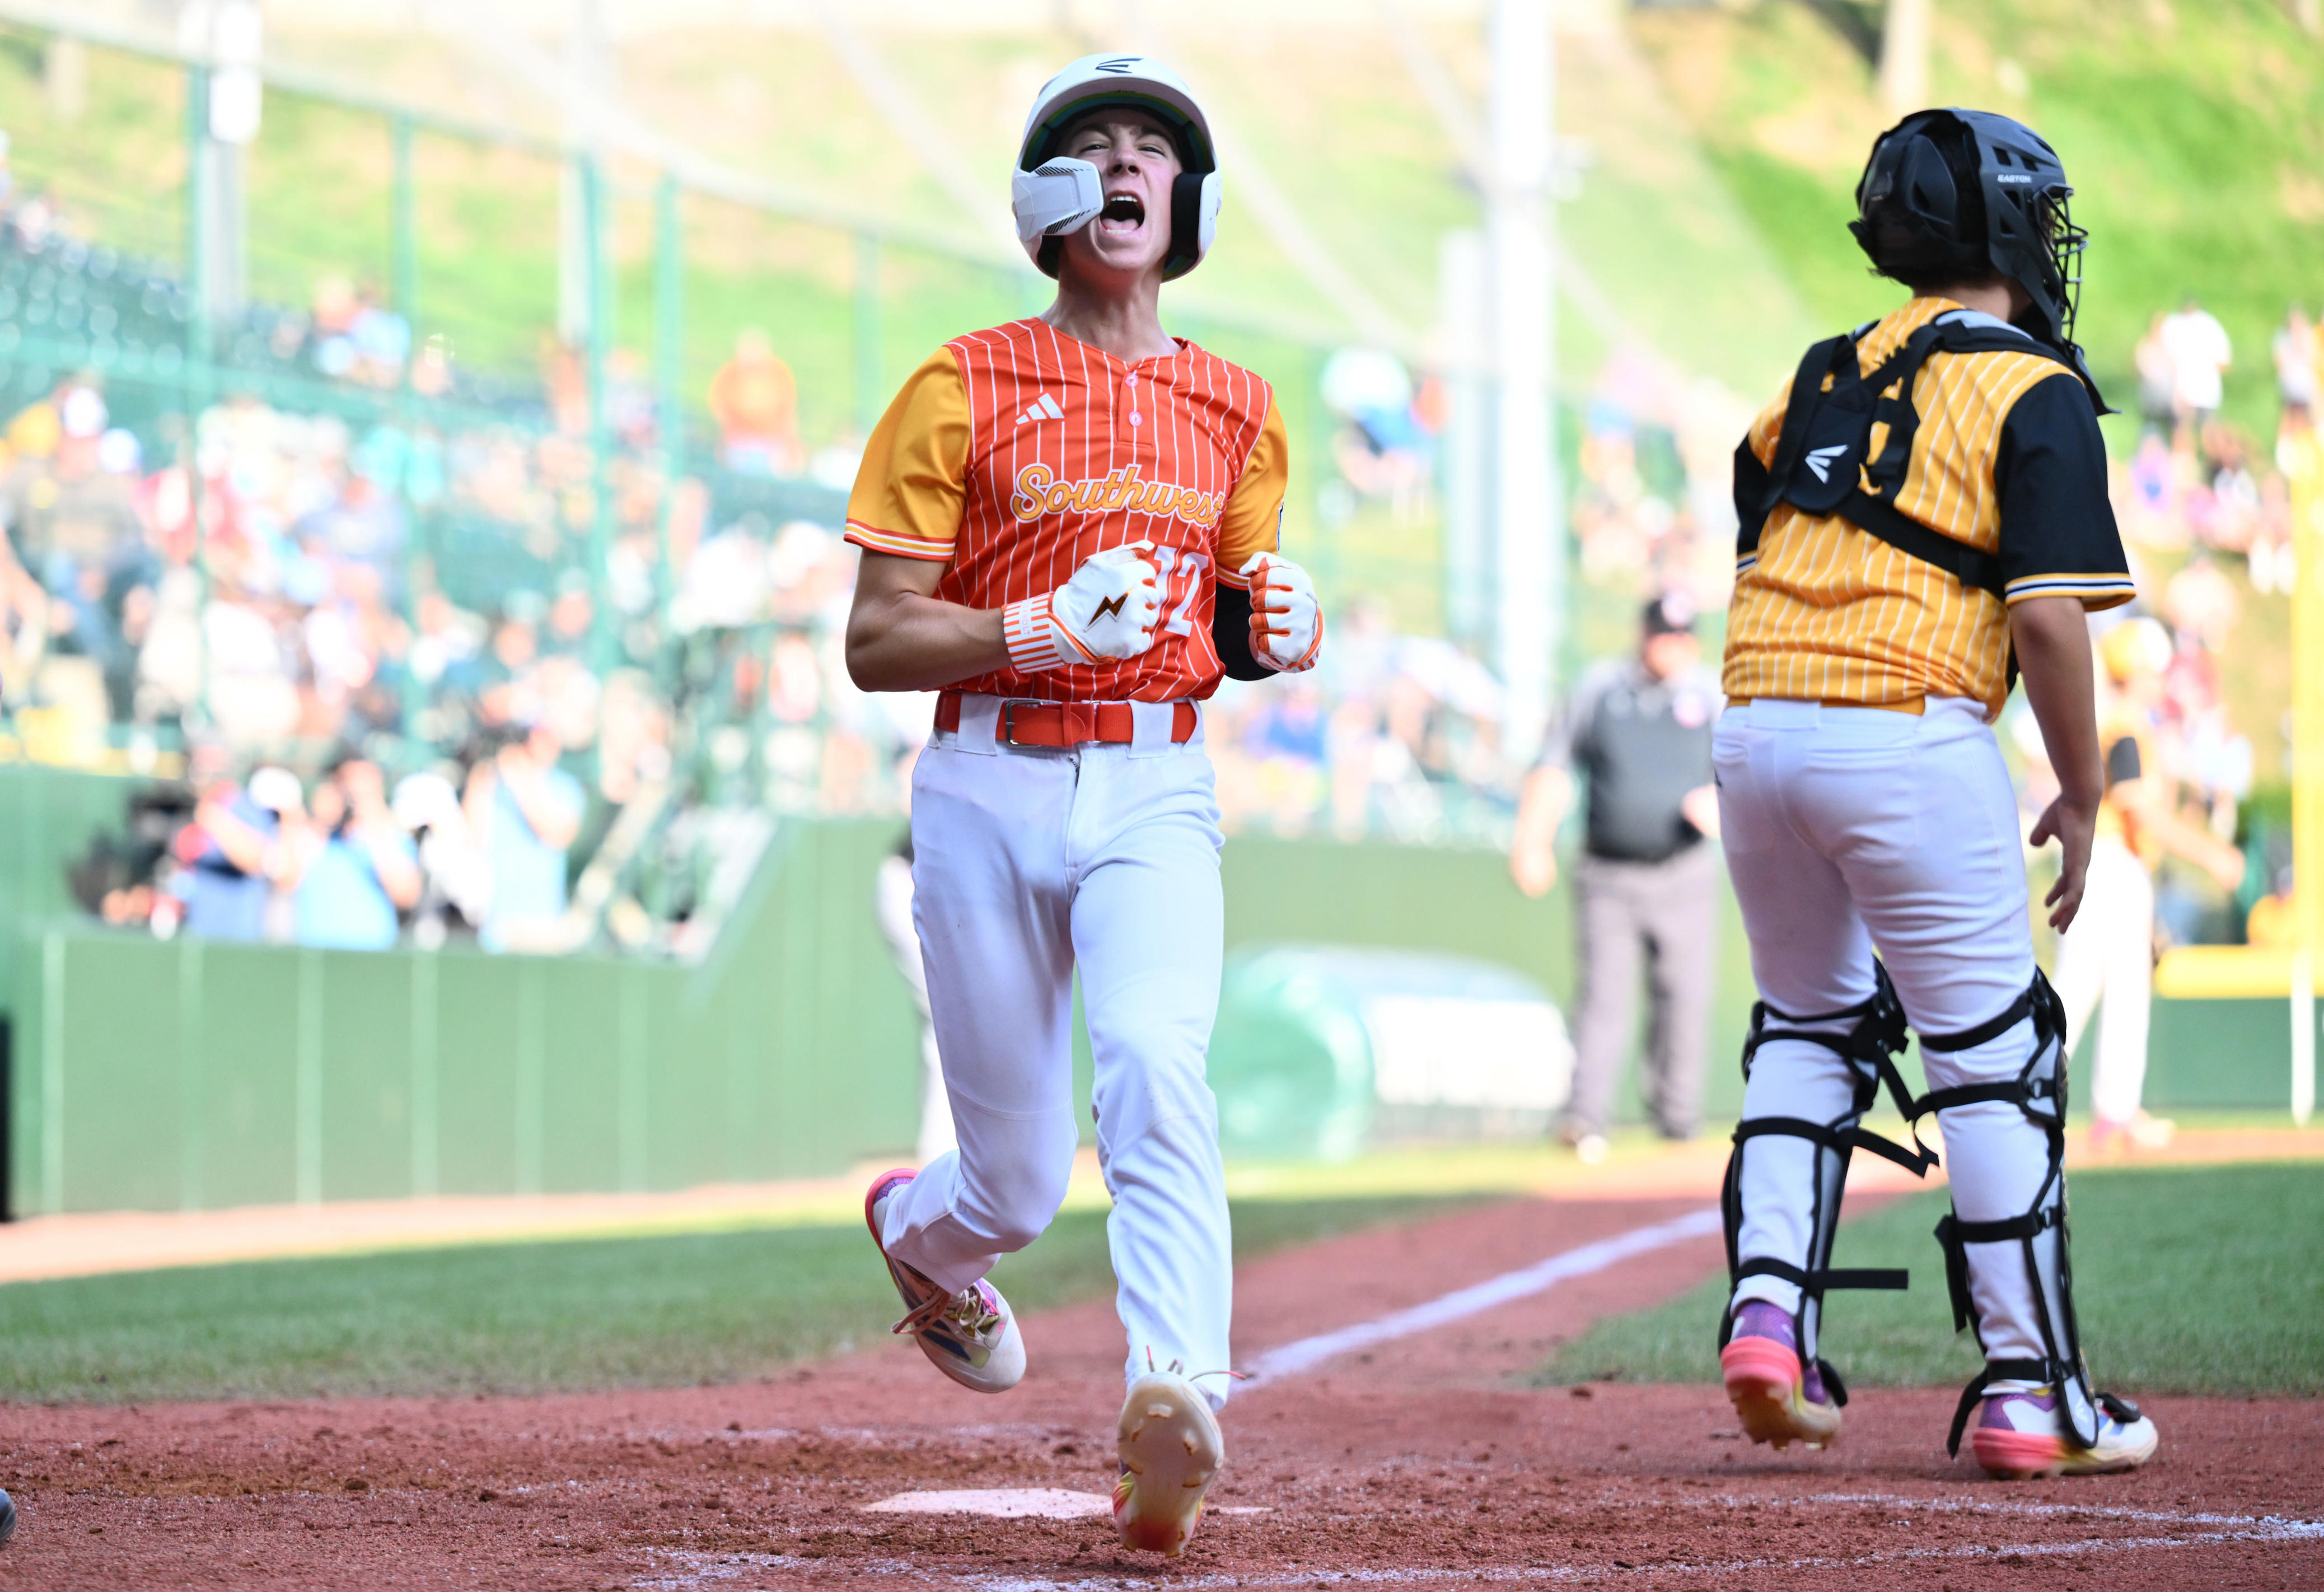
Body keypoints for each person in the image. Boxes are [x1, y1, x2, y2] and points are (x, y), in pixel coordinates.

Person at [841, 54, 1321, 1558]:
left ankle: (1172, 1394)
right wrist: (1035, 628)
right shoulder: (956, 381)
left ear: (1186, 201)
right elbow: (873, 639)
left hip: (1154, 784)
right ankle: (918, 1240)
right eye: (1096, 146)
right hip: (982, 779)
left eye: (1151, 150)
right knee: (1013, 1181)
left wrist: (1267, 632)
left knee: (1156, 1065)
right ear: (1048, 198)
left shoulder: (1237, 408)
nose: (1127, 169)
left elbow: (1216, 624)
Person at [1713, 108, 2157, 1481]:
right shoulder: (2036, 390)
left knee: (1806, 1021)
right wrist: (2083, 794)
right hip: (1905, 727)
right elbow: (2048, 621)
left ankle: (1768, 1313)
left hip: (1751, 725)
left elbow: (1758, 495)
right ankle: (2034, 1391)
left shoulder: (1824, 366)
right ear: (2014, 234)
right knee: (1993, 1061)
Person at [1509, 592, 1722, 1161]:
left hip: (1683, 870)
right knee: (1603, 998)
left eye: (1679, 636)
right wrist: (1531, 840)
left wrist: (1719, 802)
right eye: (1660, 634)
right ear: (1642, 633)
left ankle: (1676, 1119)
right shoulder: (1600, 689)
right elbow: (1553, 764)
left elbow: (1744, 772)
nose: (1668, 646)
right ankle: (1584, 1116)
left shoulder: (1708, 696)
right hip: (1607, 870)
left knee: (1682, 996)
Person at [2050, 618, 2245, 1154]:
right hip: (2110, 862)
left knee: (2100, 990)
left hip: (2102, 862)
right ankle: (2026, 1101)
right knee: (2083, 991)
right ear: (2136, 671)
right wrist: (2210, 853)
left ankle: (2105, 1112)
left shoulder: (2114, 718)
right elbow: (2137, 807)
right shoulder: (2126, 723)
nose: (2161, 679)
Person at [464, 721, 584, 953]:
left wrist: (519, 778)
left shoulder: (565, 787)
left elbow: (556, 833)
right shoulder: (492, 780)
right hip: (494, 921)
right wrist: (481, 780)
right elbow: (473, 841)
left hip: (540, 922)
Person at [873, 832, 955, 1164]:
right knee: (950, 1023)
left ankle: (944, 1158)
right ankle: (941, 1159)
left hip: (923, 886)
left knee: (950, 1027)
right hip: (908, 884)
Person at [288, 756, 423, 950]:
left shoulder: (393, 838)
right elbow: (286, 879)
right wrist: (320, 821)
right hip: (316, 954)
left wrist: (375, 828)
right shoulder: (317, 836)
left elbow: (406, 895)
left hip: (371, 955)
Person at [707, 330, 802, 475]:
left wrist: (790, 443)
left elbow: (788, 412)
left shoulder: (779, 373)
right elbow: (720, 409)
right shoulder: (730, 374)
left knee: (781, 469)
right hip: (738, 440)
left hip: (772, 442)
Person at [2158, 295, 2232, 443]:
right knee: (2187, 426)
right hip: (2191, 388)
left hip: (2194, 388)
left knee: (2198, 427)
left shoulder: (2179, 326)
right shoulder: (2209, 326)